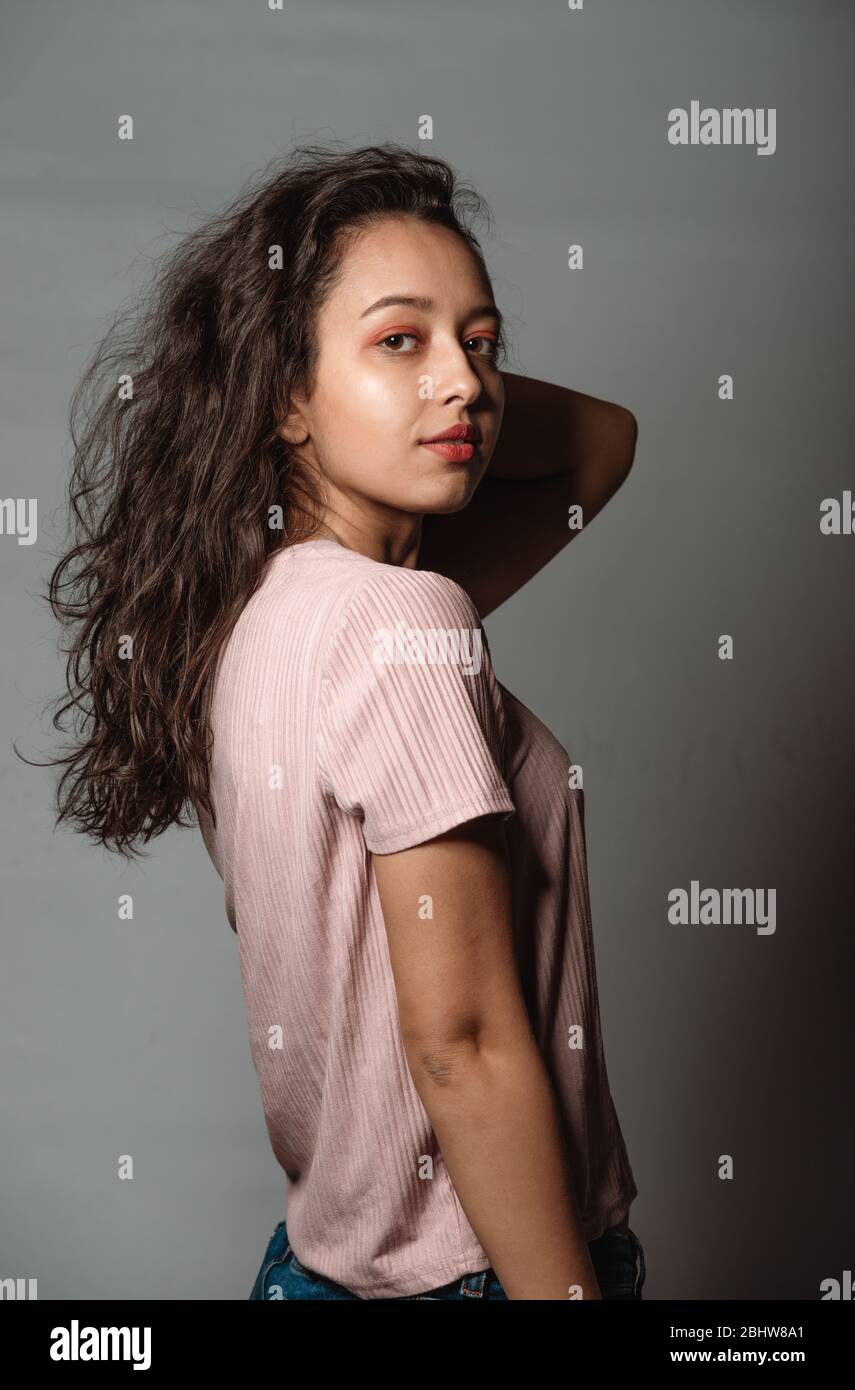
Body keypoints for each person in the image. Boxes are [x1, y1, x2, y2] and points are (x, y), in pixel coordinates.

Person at [40, 141, 644, 1300]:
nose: (466, 382)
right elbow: (459, 1045)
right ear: (284, 396)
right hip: (483, 1270)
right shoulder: (396, 620)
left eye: (482, 341)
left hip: (328, 1261)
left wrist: (420, 384)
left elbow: (600, 444)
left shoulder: (257, 614)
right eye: (399, 339)